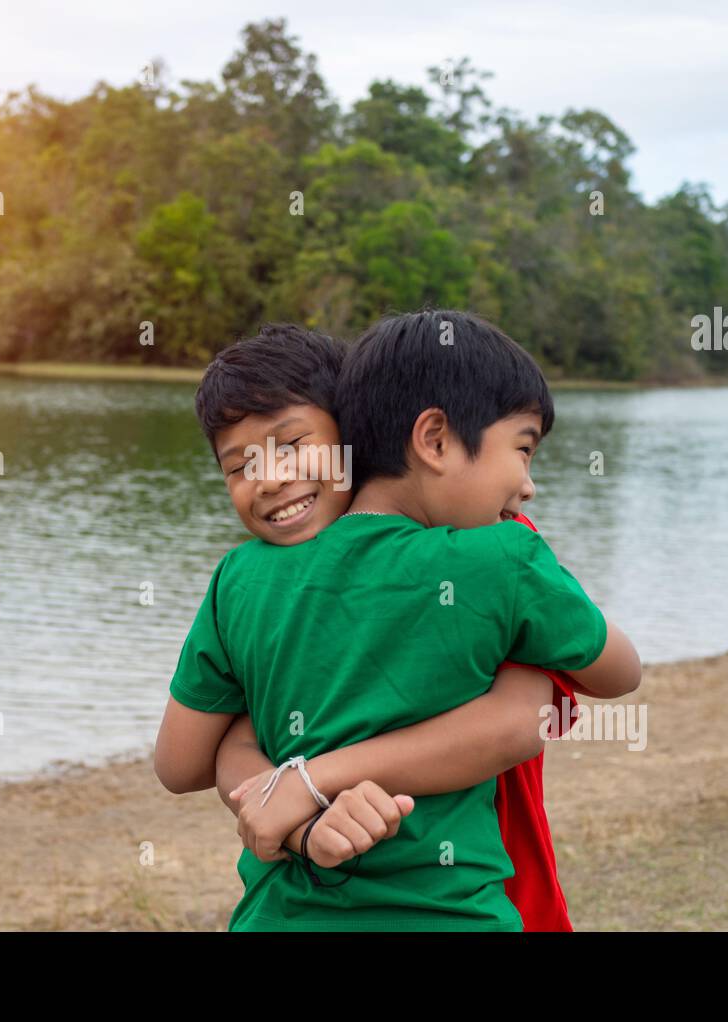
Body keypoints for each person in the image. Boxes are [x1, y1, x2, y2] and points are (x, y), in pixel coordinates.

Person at [154, 311, 641, 930]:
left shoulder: (240, 580)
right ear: (431, 439)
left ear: (354, 435)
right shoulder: (502, 556)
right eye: (522, 450)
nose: (528, 485)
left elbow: (178, 763)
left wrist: (286, 772)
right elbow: (606, 679)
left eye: (293, 445)